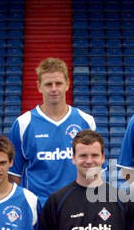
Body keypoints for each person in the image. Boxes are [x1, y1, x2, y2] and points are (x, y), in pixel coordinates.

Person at [8, 57, 97, 204]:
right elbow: (13, 176)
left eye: (59, 83)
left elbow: (96, 170)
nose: (54, 89)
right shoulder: (23, 124)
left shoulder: (86, 121)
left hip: (78, 206)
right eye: (48, 84)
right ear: (39, 86)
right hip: (39, 208)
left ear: (67, 84)